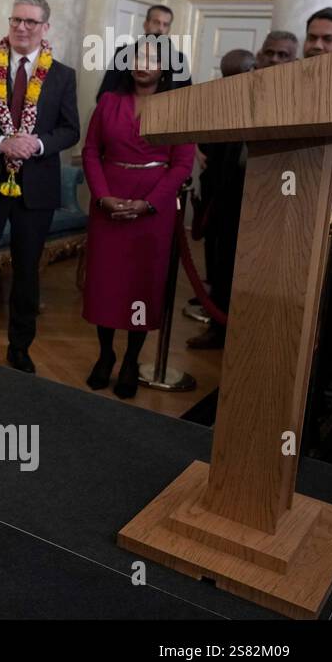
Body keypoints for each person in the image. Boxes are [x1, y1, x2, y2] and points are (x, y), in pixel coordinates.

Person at [0, 0, 81, 373]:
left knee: (27, 270)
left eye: (29, 22)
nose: (21, 28)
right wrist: (3, 142)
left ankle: (20, 347)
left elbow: (70, 129)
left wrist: (36, 144)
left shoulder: (62, 75)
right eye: (15, 21)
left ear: (45, 28)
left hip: (36, 185)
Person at [81, 35, 195, 397]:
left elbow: (182, 165)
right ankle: (105, 355)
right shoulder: (109, 103)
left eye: (151, 57)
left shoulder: (179, 105)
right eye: (137, 56)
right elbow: (89, 152)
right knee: (106, 283)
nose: (143, 63)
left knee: (140, 285)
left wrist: (149, 203)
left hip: (152, 212)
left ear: (166, 67)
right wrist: (102, 198)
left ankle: (131, 360)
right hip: (108, 205)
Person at [187, 41, 289, 349]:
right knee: (221, 264)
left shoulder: (291, 96)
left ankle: (254, 334)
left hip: (272, 199)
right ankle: (218, 328)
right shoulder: (228, 96)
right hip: (224, 196)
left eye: (282, 55)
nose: (273, 60)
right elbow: (206, 140)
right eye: (269, 53)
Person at [95, 4, 189, 100]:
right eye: (156, 22)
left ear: (169, 29)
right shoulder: (123, 53)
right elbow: (104, 94)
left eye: (165, 24)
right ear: (146, 24)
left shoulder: (179, 59)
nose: (161, 28)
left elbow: (187, 99)